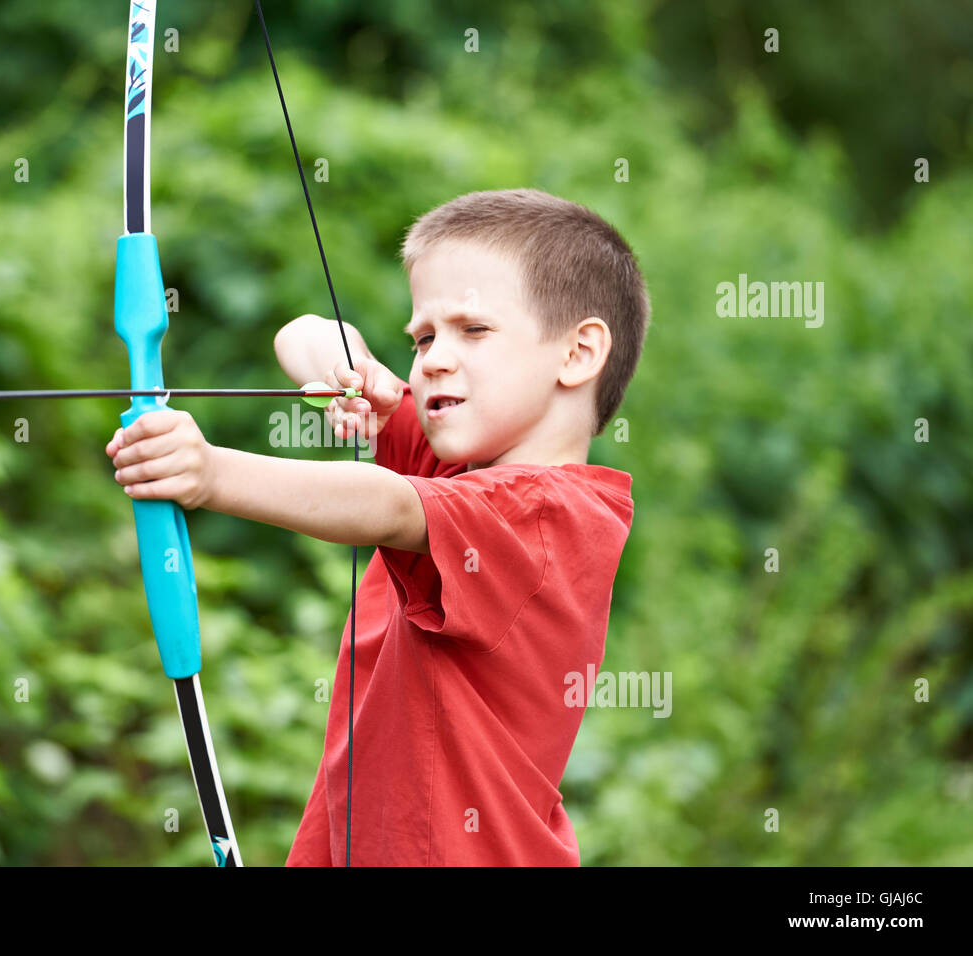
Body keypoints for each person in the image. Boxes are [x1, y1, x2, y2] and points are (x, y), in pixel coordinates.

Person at [107, 187, 650, 865]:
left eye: (472, 330)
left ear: (577, 354)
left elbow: (390, 504)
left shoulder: (550, 518)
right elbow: (298, 334)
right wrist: (345, 366)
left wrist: (212, 474)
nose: (433, 359)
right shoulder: (456, 471)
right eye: (423, 336)